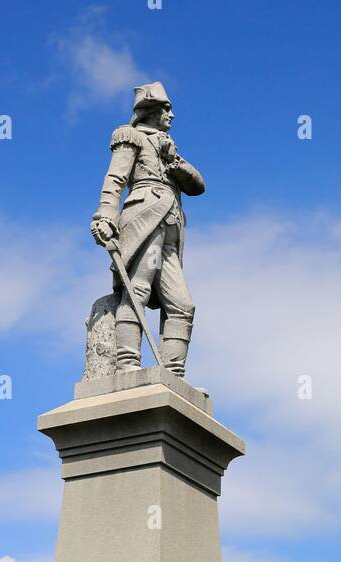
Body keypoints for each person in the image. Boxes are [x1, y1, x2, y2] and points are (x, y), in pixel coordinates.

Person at [90, 81, 205, 376]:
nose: (172, 114)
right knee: (138, 288)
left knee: (182, 306)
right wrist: (105, 215)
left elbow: (197, 186)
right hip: (144, 216)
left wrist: (172, 160)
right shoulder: (132, 137)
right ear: (152, 109)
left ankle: (172, 375)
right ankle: (127, 364)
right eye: (166, 108)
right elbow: (115, 180)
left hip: (171, 226)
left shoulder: (170, 149)